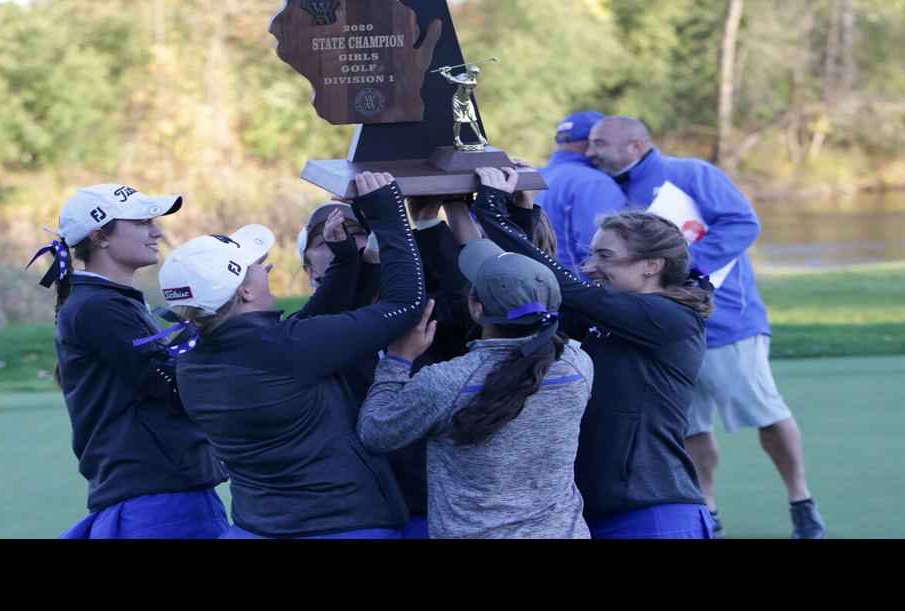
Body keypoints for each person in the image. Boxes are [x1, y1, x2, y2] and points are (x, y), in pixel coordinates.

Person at [585, 116, 827, 539]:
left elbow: (743, 223)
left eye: (600, 143)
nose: (591, 152)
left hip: (727, 322)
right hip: (651, 332)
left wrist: (679, 271)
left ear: (635, 145)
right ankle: (709, 510)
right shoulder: (608, 188)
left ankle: (801, 502)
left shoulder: (691, 172)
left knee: (765, 412)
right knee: (689, 426)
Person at [158, 172, 426, 539]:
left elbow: (307, 325)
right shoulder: (285, 348)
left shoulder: (195, 361)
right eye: (256, 267)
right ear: (246, 293)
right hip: (339, 526)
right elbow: (406, 305)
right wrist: (390, 213)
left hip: (257, 527)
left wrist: (346, 260)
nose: (265, 268)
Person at [472, 166, 714, 539]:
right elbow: (532, 288)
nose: (589, 266)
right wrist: (520, 215)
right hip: (594, 512)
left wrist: (491, 210)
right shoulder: (606, 318)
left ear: (652, 265)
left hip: (653, 514)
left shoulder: (671, 318)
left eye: (605, 256)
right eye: (591, 254)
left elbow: (566, 287)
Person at [25, 183, 228, 539]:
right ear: (100, 237)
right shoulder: (99, 305)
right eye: (141, 223)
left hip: (161, 492)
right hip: (158, 499)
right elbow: (174, 387)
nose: (157, 232)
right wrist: (227, 318)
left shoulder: (106, 301)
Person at [357, 240, 594, 539]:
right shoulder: (578, 365)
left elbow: (375, 433)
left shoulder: (446, 382)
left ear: (477, 309)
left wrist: (397, 359)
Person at [292, 196, 474, 539]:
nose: (344, 241)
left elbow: (467, 298)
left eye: (357, 232)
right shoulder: (301, 332)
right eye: (325, 240)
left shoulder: (422, 313)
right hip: (357, 514)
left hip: (432, 503)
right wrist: (359, 259)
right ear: (309, 269)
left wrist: (428, 220)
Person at [535, 111, 627, 272]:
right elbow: (602, 252)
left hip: (535, 281)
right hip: (576, 283)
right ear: (593, 141)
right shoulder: (595, 183)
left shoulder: (532, 174)